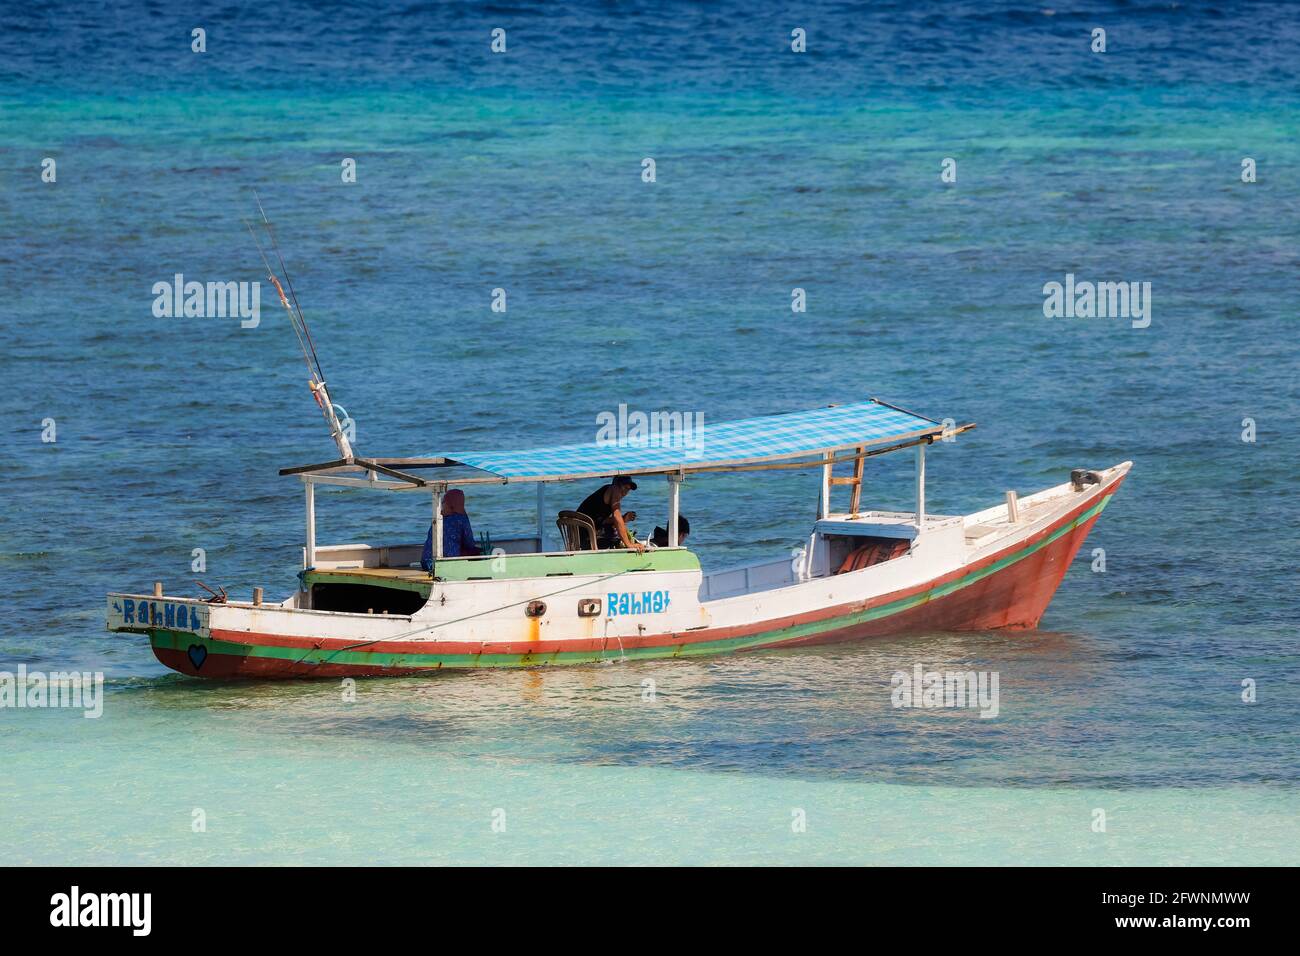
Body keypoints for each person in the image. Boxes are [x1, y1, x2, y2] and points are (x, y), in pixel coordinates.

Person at [575, 475, 643, 551]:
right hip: (584, 536)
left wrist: (623, 519)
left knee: (612, 530)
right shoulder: (614, 490)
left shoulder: (605, 491)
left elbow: (601, 520)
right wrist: (629, 544)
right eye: (624, 487)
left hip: (576, 534)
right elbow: (617, 517)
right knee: (615, 537)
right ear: (616, 485)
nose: (624, 493)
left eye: (628, 489)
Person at [421, 489, 482, 571]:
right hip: (445, 563)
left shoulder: (438, 517)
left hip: (426, 562)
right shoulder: (461, 518)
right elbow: (469, 543)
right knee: (477, 552)